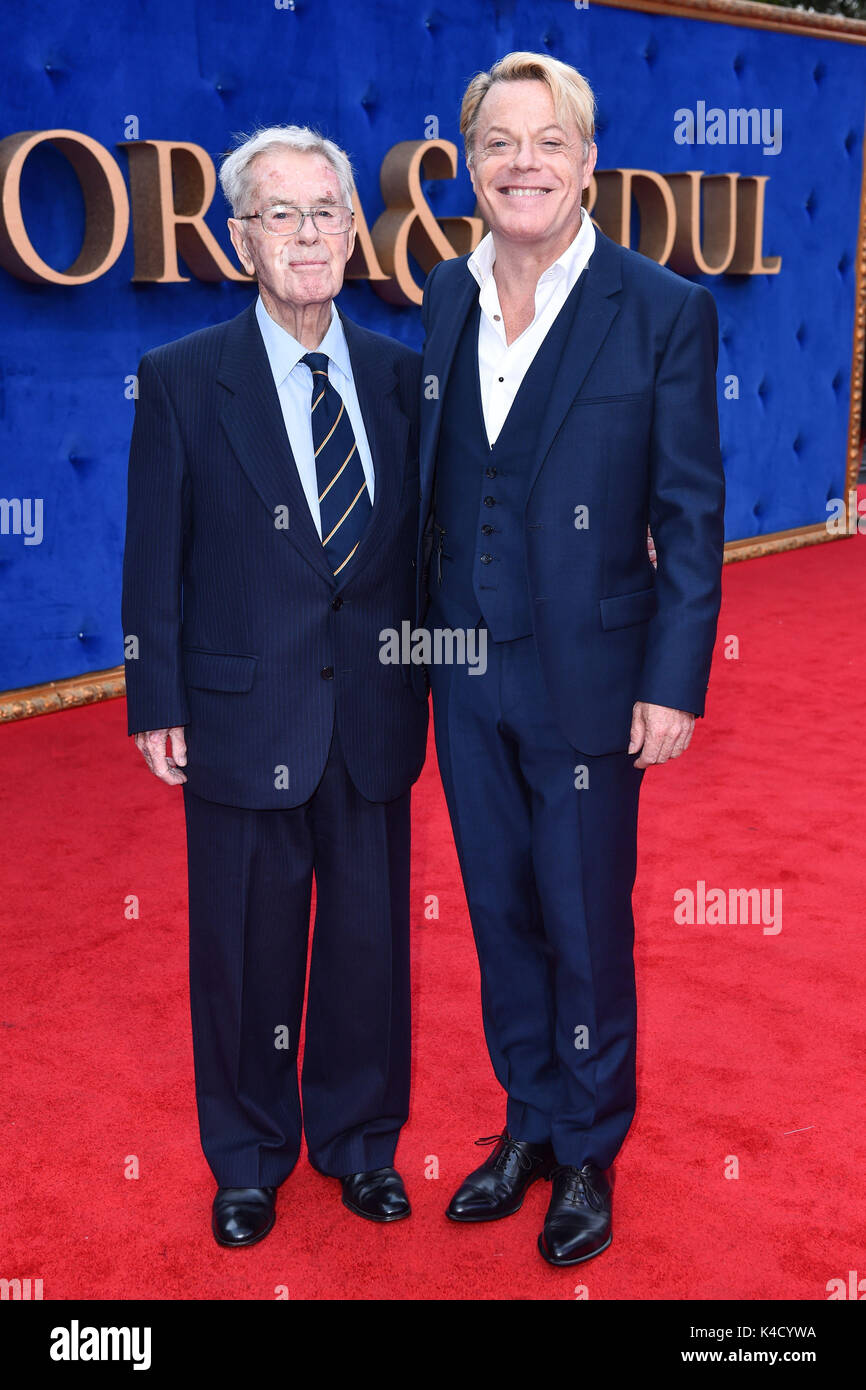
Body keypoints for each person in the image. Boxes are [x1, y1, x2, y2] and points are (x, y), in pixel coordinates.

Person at [418, 53, 725, 1266]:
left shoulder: (659, 308)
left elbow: (691, 514)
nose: (523, 163)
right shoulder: (441, 296)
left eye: (548, 141)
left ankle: (590, 1149)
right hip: (462, 671)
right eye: (498, 143)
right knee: (498, 913)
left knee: (583, 919)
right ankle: (530, 1120)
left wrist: (672, 676)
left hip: (593, 681)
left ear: (589, 162)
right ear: (470, 167)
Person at [122, 125, 428, 1247]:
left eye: (326, 213)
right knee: (244, 948)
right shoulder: (181, 380)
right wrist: (153, 694)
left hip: (374, 714)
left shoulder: (403, 379)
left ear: (356, 230)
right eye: (281, 215)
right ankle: (246, 1155)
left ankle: (361, 1143)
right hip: (241, 711)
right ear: (240, 236)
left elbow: (432, 552)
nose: (308, 235)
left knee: (366, 944)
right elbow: (152, 553)